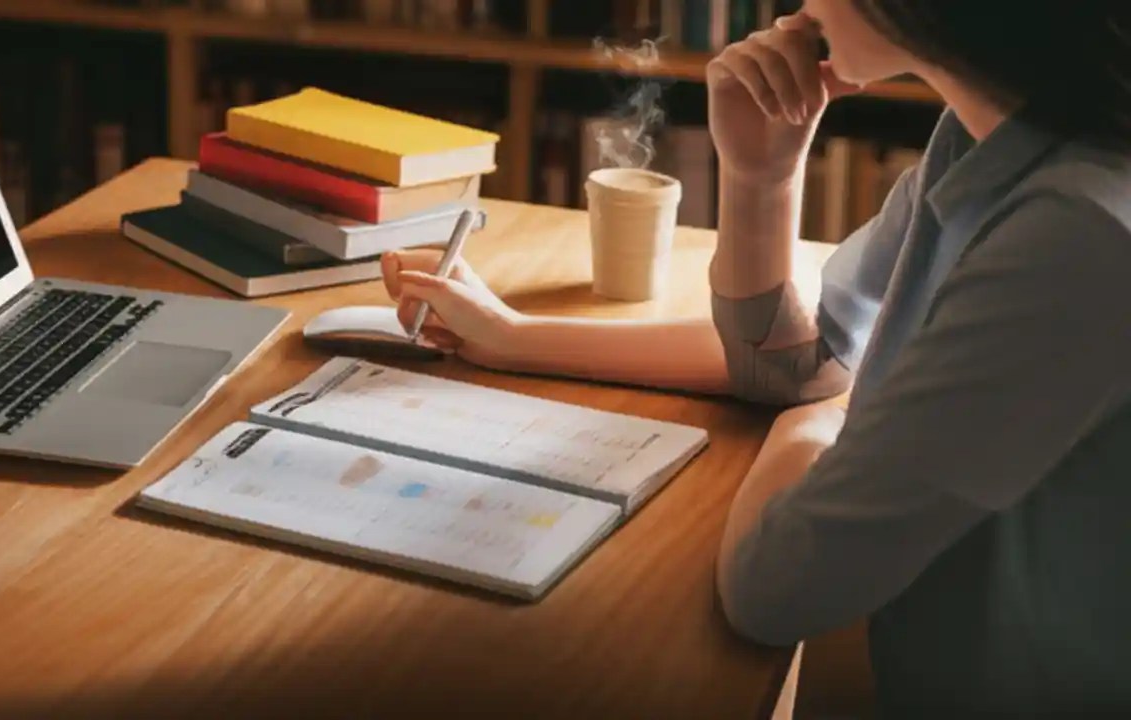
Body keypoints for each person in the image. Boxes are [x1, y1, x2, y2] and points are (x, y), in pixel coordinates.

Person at [382, 1, 1131, 715]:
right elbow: (800, 364)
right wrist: (759, 177)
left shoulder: (1079, 234)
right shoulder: (984, 142)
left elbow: (775, 586)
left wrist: (813, 428)